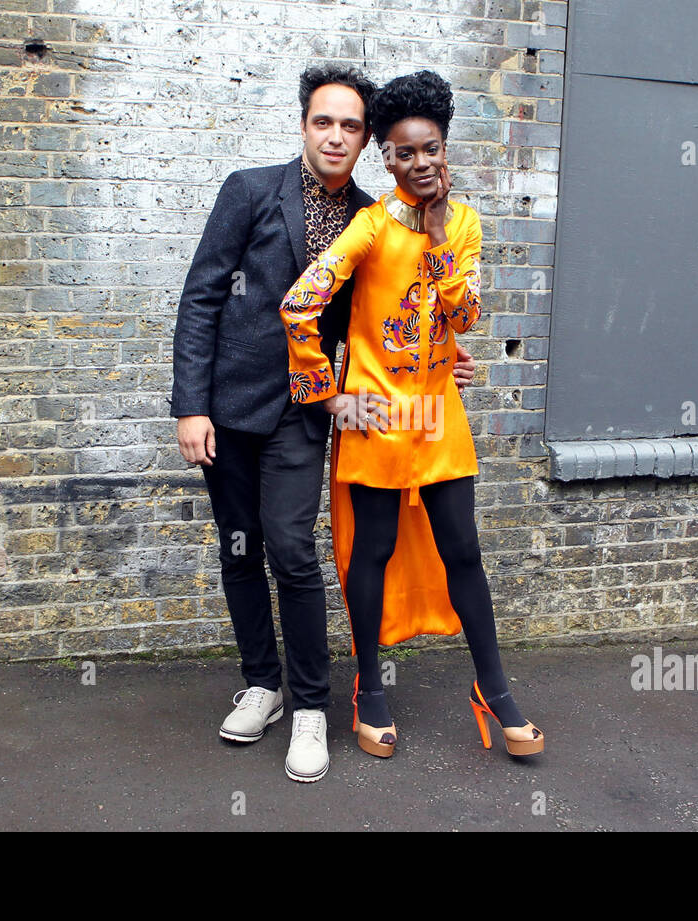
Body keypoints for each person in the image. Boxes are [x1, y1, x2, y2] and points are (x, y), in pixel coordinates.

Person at [170, 65, 478, 782]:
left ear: (365, 137)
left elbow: (395, 318)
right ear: (304, 125)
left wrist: (444, 360)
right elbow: (201, 298)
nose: (336, 134)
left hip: (308, 412)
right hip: (228, 405)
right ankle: (263, 686)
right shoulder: (249, 191)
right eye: (323, 121)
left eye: (350, 125)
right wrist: (190, 404)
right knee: (239, 549)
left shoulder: (373, 215)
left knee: (291, 549)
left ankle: (311, 705)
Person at [279, 70, 544, 760]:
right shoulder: (368, 227)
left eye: (430, 149)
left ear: (446, 149)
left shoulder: (464, 222)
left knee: (465, 550)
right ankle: (370, 689)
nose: (419, 163)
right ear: (385, 158)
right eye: (402, 152)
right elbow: (299, 303)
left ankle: (495, 689)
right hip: (374, 416)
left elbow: (466, 316)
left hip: (438, 416)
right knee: (373, 549)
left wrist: (439, 241)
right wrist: (326, 392)